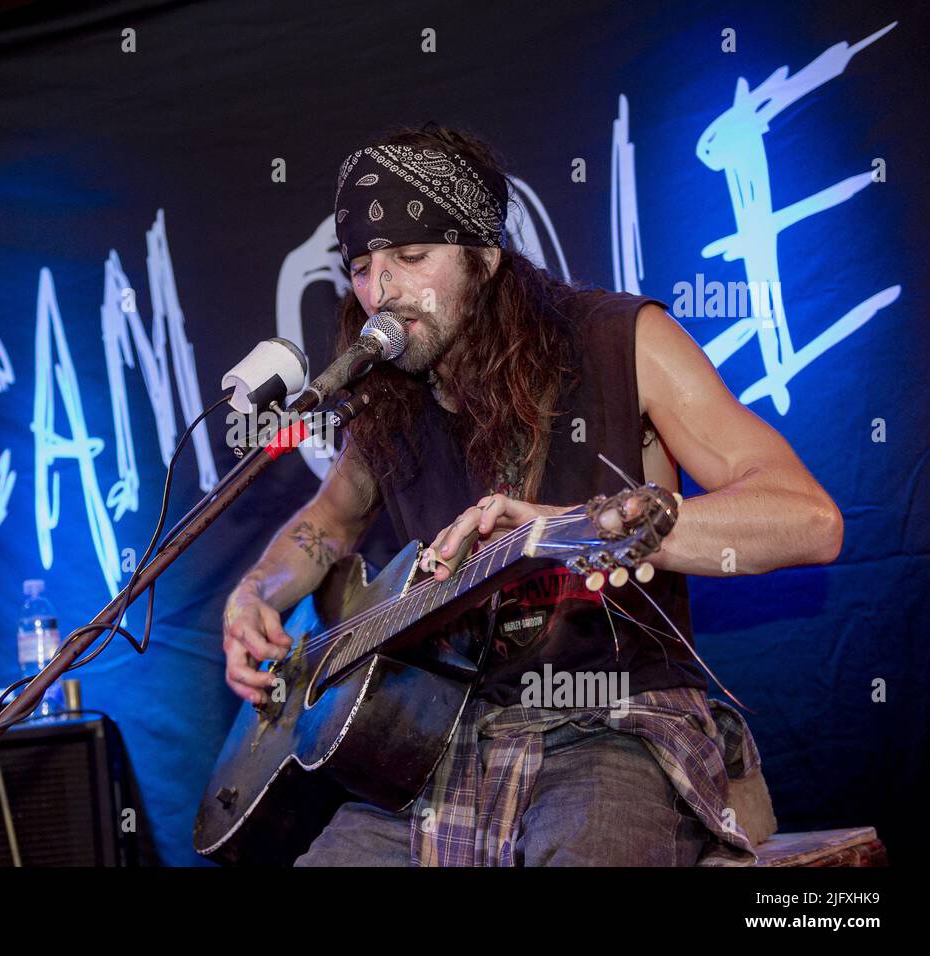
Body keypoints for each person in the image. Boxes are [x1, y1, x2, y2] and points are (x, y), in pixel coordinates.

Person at [221, 122, 843, 866]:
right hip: (443, 752)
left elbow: (810, 521)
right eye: (361, 266)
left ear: (484, 257)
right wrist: (258, 591)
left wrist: (598, 525)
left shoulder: (622, 340)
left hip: (613, 725)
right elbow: (328, 520)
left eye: (413, 256)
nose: (382, 290)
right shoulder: (384, 397)